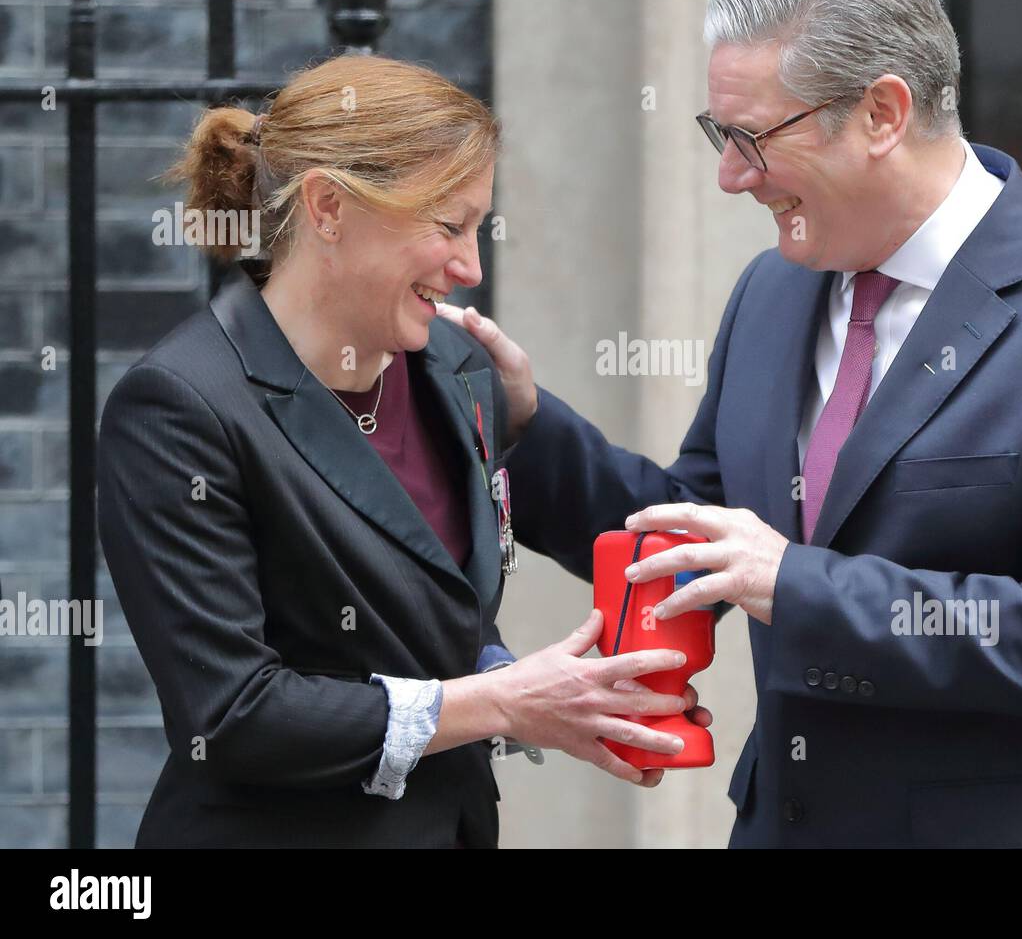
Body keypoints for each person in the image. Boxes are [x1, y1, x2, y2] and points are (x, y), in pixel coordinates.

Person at [444, 0, 1022, 848]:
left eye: (752, 137)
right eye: (718, 135)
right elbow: (704, 529)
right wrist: (526, 426)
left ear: (883, 114)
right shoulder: (777, 287)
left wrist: (798, 584)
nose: (730, 177)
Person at [97, 55, 705, 849]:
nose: (471, 266)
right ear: (328, 207)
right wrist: (507, 702)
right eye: (448, 225)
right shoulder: (180, 405)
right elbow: (234, 713)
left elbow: (432, 623)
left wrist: (565, 699)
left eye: (478, 226)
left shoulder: (456, 369)